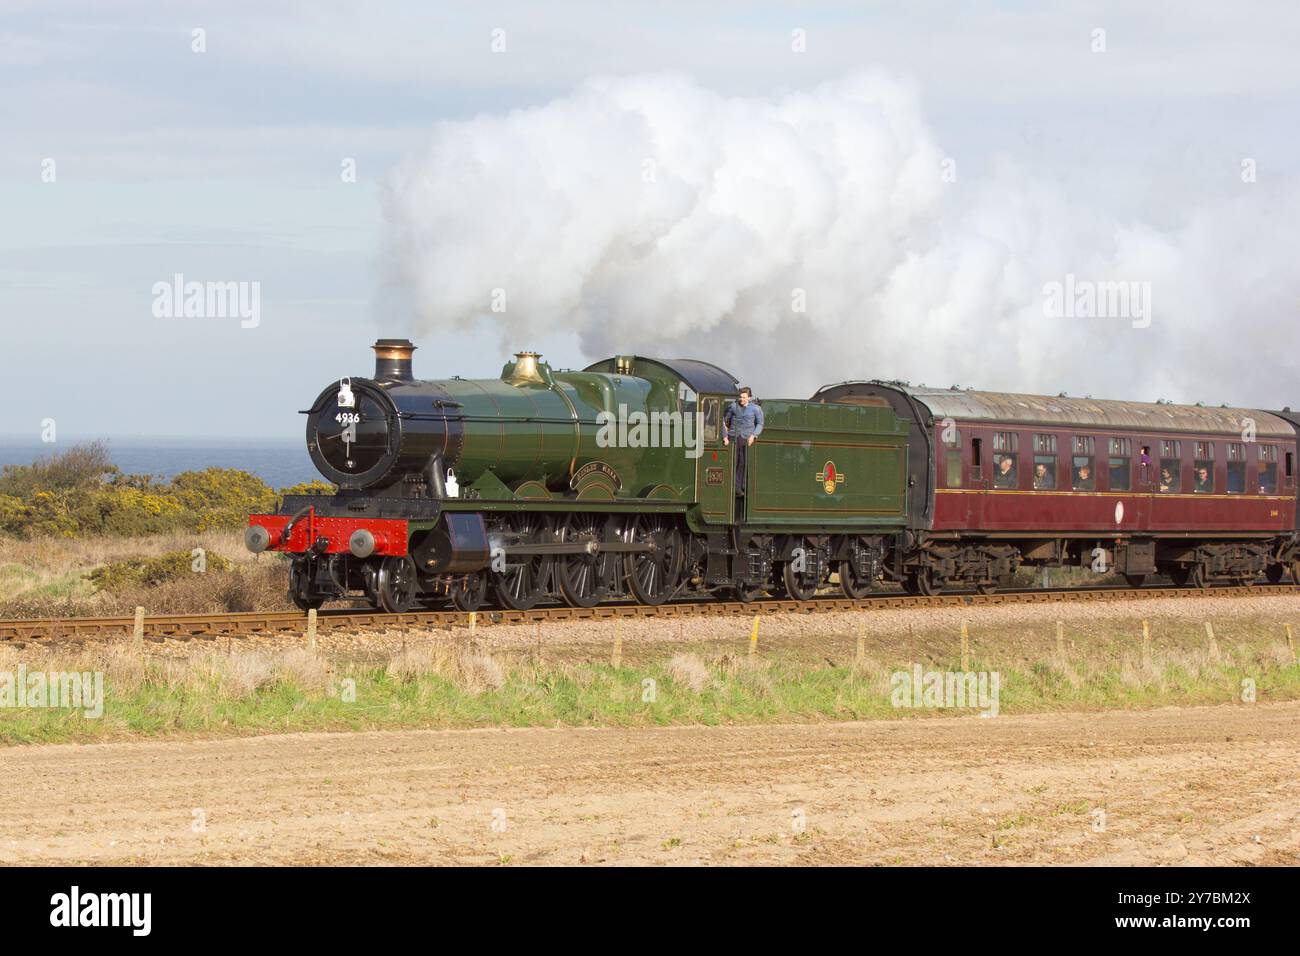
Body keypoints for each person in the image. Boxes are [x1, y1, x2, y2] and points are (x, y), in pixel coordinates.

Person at [723, 386, 764, 495]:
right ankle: (730, 485)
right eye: (741, 397)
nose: (742, 399)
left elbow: (760, 423)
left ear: (749, 397)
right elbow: (724, 420)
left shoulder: (756, 409)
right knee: (732, 461)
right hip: (732, 436)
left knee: (742, 462)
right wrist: (724, 435)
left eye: (744, 397)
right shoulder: (733, 406)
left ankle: (738, 485)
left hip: (745, 438)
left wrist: (754, 435)